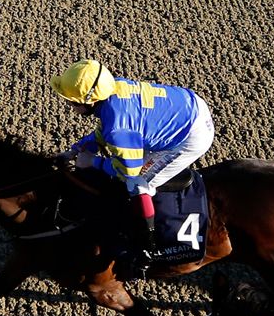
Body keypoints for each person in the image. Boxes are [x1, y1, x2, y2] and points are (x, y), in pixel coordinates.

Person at [51, 59, 215, 279]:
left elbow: (127, 170)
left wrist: (92, 163)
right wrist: (76, 150)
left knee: (138, 183)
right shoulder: (112, 88)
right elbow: (104, 130)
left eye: (72, 102)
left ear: (91, 100)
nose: (70, 106)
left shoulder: (118, 127)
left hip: (191, 137)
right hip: (190, 105)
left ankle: (147, 248)